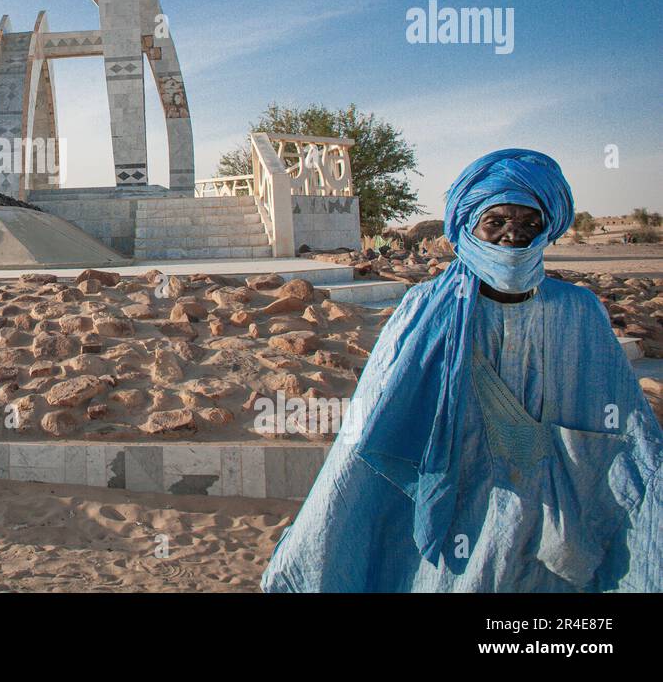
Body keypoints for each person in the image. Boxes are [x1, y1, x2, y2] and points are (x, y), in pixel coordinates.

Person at [261, 149, 661, 592]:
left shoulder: (578, 311)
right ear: (469, 228)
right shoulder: (425, 307)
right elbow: (378, 416)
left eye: (529, 224)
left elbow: (625, 428)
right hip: (456, 481)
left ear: (547, 229)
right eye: (497, 223)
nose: (513, 237)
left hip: (548, 498)